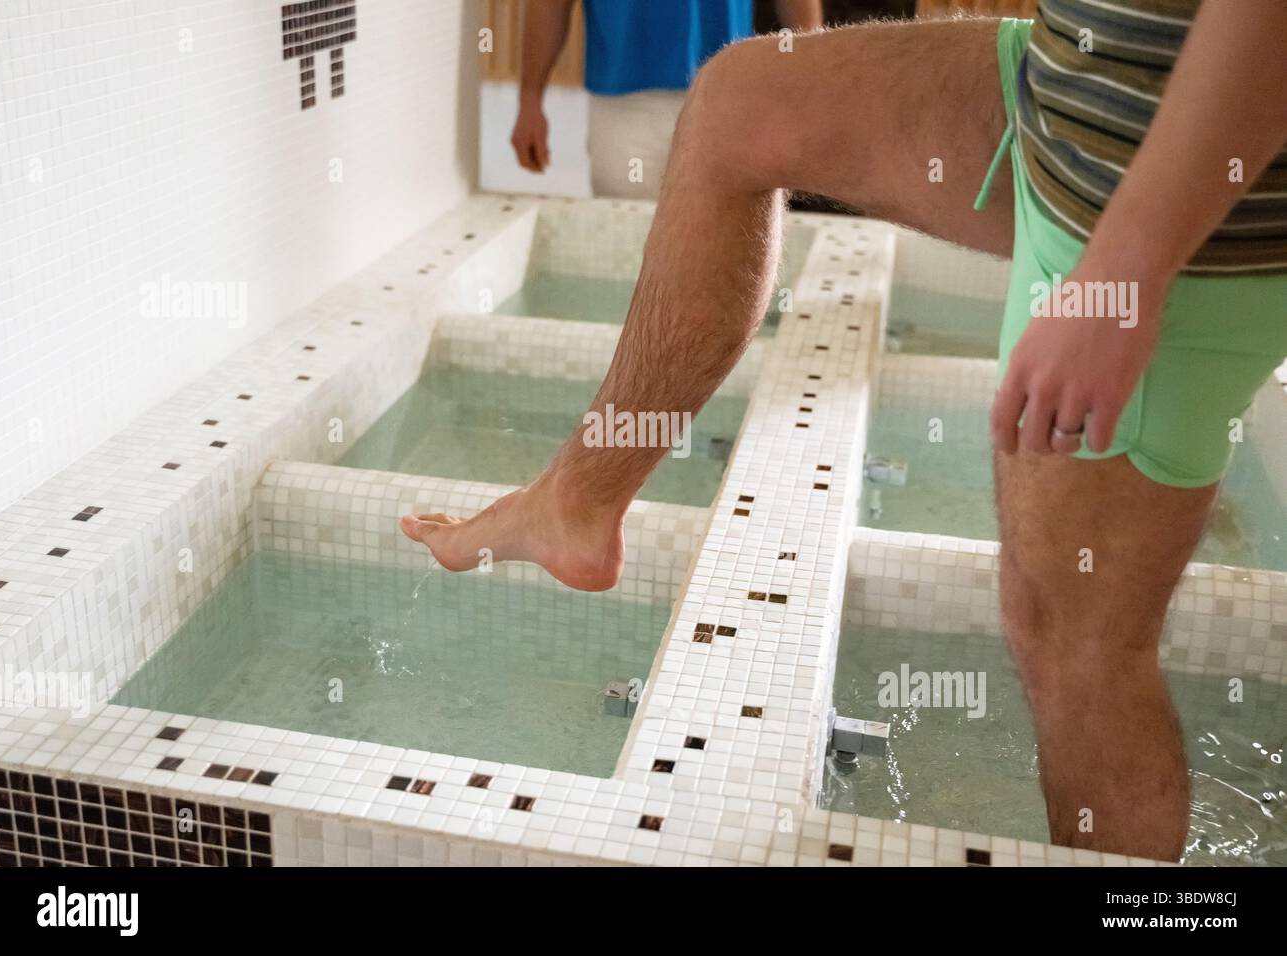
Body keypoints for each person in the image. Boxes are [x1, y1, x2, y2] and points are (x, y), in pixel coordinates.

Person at [408, 0, 1287, 862]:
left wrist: (1121, 276)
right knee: (738, 105)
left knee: (1076, 644)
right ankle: (578, 504)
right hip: (1059, 91)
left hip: (1180, 196)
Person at [512, 0, 822, 198]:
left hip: (726, 102)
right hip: (624, 110)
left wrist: (818, 91)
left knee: (722, 265)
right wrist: (530, 101)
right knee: (625, 254)